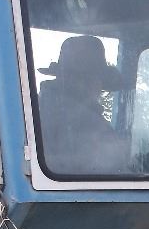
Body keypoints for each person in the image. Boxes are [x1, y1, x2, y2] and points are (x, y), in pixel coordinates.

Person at [36, 35, 129, 176]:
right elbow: (114, 166)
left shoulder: (36, 109)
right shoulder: (87, 122)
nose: (99, 87)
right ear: (88, 82)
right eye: (98, 79)